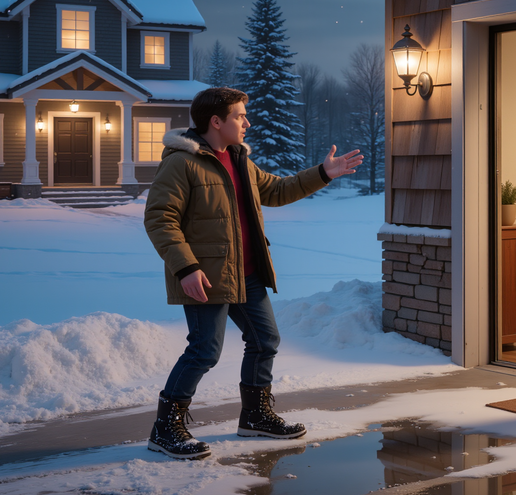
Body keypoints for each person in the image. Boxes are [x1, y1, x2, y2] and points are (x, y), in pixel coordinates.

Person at [144, 87, 363, 459]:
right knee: (204, 352)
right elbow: (160, 219)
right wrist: (186, 267)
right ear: (216, 122)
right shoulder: (182, 163)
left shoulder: (240, 159)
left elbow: (277, 191)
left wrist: (323, 173)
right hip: (206, 276)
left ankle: (256, 416)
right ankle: (165, 428)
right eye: (239, 116)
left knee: (265, 341)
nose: (247, 122)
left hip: (246, 273)